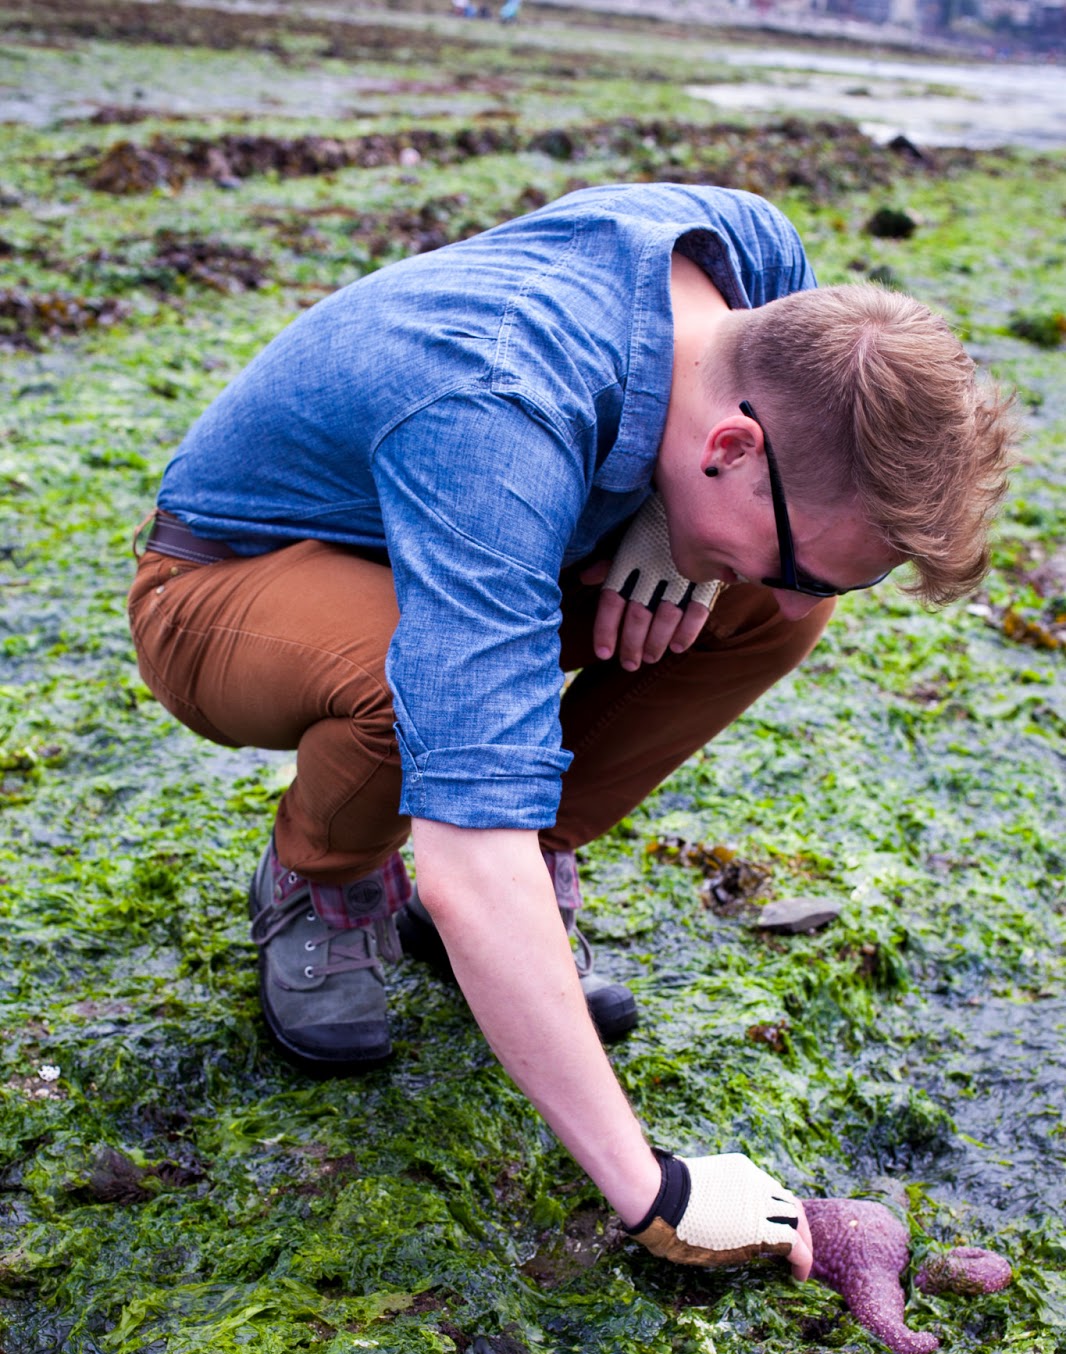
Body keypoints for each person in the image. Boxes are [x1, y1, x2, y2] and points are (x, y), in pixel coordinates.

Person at [127, 183, 1012, 1280]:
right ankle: (320, 877)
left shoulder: (752, 266)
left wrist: (672, 521)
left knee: (753, 614)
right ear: (730, 444)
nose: (796, 598)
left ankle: (528, 882)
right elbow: (465, 860)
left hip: (469, 538)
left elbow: (779, 488)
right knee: (418, 699)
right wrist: (657, 1191)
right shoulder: (498, 414)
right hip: (227, 584)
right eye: (803, 562)